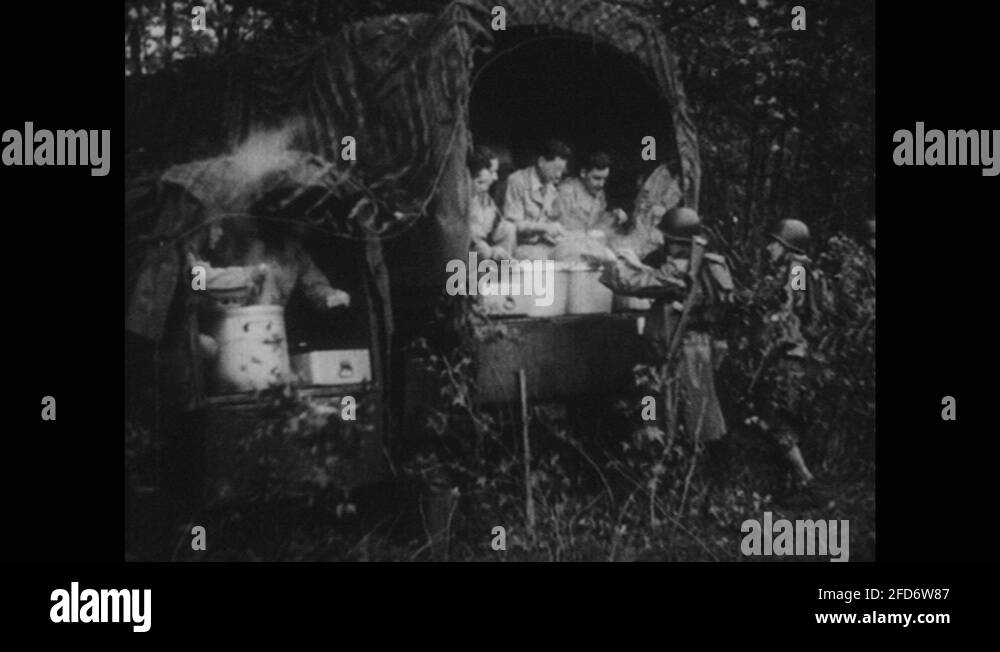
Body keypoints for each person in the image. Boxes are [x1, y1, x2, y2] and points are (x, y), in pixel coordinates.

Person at [589, 207, 734, 447]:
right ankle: (692, 462)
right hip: (697, 348)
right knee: (696, 410)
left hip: (671, 351)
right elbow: (661, 279)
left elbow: (632, 283)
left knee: (653, 403)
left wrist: (611, 261)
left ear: (675, 242)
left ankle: (656, 452)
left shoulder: (680, 268)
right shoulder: (704, 264)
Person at [751, 218, 830, 488]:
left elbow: (793, 307)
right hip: (800, 354)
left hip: (790, 354)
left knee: (778, 421)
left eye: (774, 243)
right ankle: (792, 485)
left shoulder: (797, 268)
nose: (769, 248)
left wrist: (771, 322)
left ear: (788, 245)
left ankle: (806, 481)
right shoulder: (803, 268)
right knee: (788, 420)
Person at [501, 139, 571, 258]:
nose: (559, 175)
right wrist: (544, 228)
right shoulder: (517, 181)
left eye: (561, 170)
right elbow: (512, 224)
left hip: (540, 245)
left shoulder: (551, 188)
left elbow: (548, 220)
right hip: (517, 246)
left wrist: (553, 231)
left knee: (571, 252)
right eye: (555, 169)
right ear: (541, 161)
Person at [552, 151, 628, 236]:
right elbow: (558, 230)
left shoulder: (599, 193)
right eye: (597, 178)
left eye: (605, 179)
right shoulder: (565, 192)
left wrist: (613, 216)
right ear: (583, 173)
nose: (601, 184)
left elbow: (597, 222)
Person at [467, 146, 515, 260]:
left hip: (484, 245)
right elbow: (467, 234)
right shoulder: (461, 196)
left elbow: (497, 223)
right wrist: (492, 251)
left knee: (508, 228)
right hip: (465, 251)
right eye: (491, 172)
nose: (495, 177)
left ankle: (504, 270)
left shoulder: (485, 198)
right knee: (483, 250)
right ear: (477, 171)